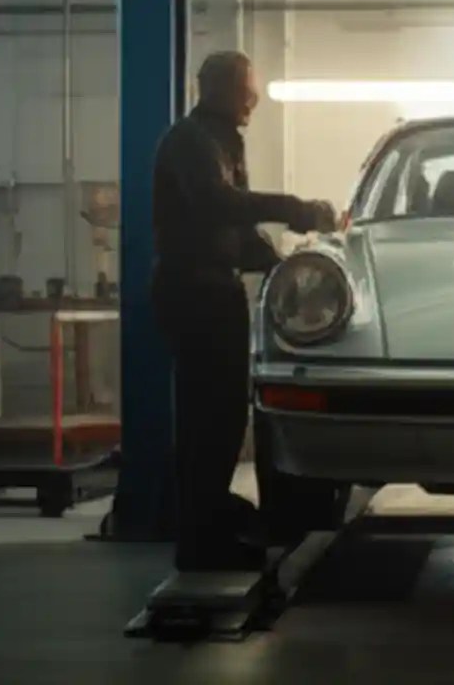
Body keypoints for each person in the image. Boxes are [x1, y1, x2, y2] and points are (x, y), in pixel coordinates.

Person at [151, 51, 338, 572]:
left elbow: (234, 229)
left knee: (218, 416)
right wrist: (294, 207)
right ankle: (200, 541)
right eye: (246, 89)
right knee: (211, 419)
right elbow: (217, 204)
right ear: (215, 89)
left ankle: (207, 522)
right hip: (195, 293)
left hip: (213, 290)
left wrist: (286, 266)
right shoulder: (192, 142)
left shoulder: (219, 140)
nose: (253, 99)